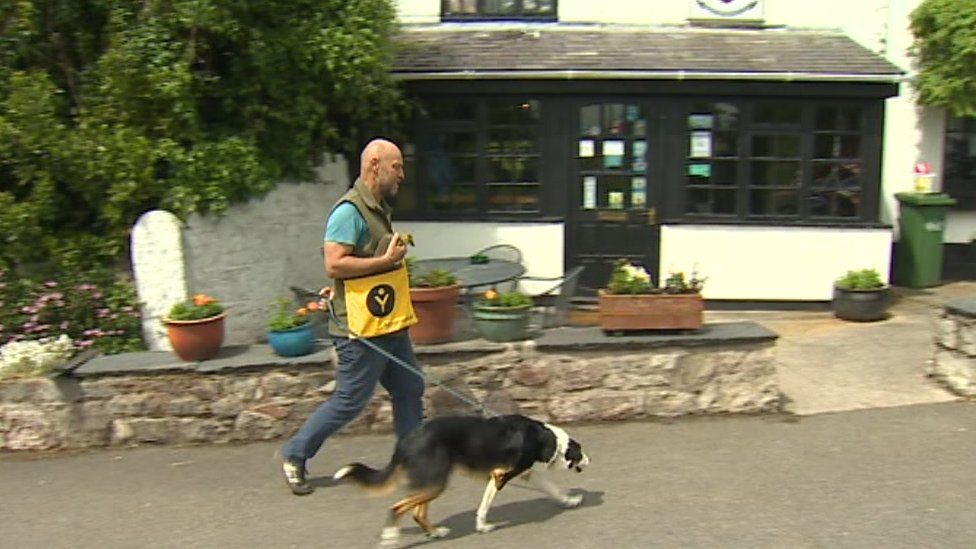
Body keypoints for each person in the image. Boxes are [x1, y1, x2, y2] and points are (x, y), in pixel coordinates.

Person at [280, 138, 425, 495]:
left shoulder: (377, 208)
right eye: (396, 166)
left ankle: (411, 462)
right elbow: (334, 264)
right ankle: (295, 454)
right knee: (350, 401)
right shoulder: (349, 212)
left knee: (409, 387)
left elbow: (357, 264)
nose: (402, 175)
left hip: (387, 322)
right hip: (359, 331)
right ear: (375, 165)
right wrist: (385, 261)